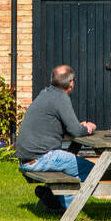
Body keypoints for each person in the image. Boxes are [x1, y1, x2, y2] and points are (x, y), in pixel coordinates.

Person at [15, 65, 96, 213]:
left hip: (26, 160)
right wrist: (89, 128)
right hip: (42, 158)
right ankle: (67, 208)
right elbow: (76, 131)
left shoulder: (45, 93)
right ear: (71, 83)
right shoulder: (61, 97)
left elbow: (62, 125)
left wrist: (76, 126)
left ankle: (53, 199)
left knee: (71, 166)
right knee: (92, 171)